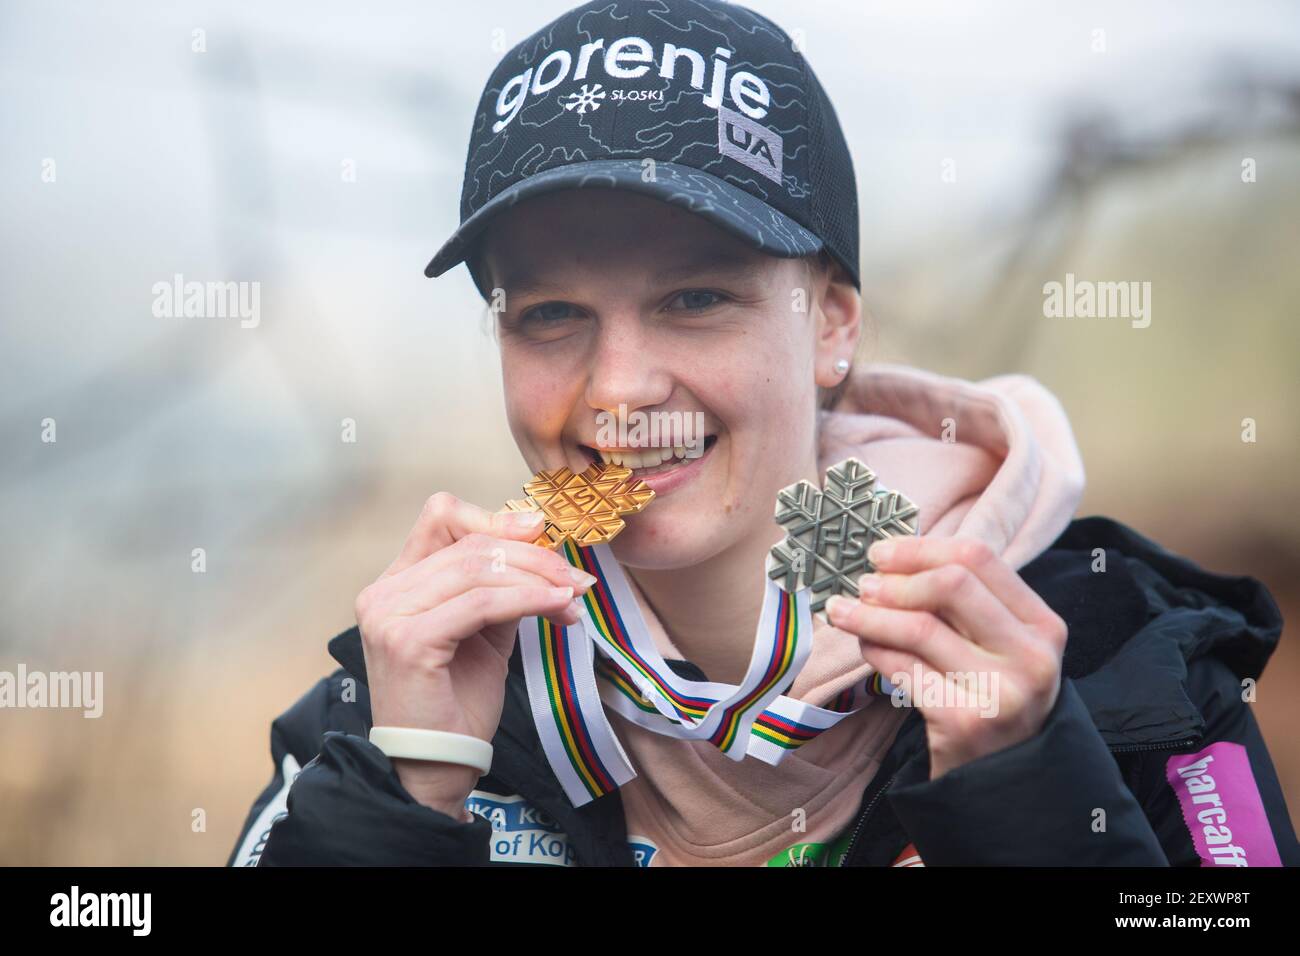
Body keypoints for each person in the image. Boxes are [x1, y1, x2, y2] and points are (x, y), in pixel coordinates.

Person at [228, 0, 1298, 867]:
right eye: (549, 313)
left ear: (831, 322)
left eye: (695, 297)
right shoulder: (396, 703)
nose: (617, 387)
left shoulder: (1126, 672)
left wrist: (1027, 801)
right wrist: (407, 789)